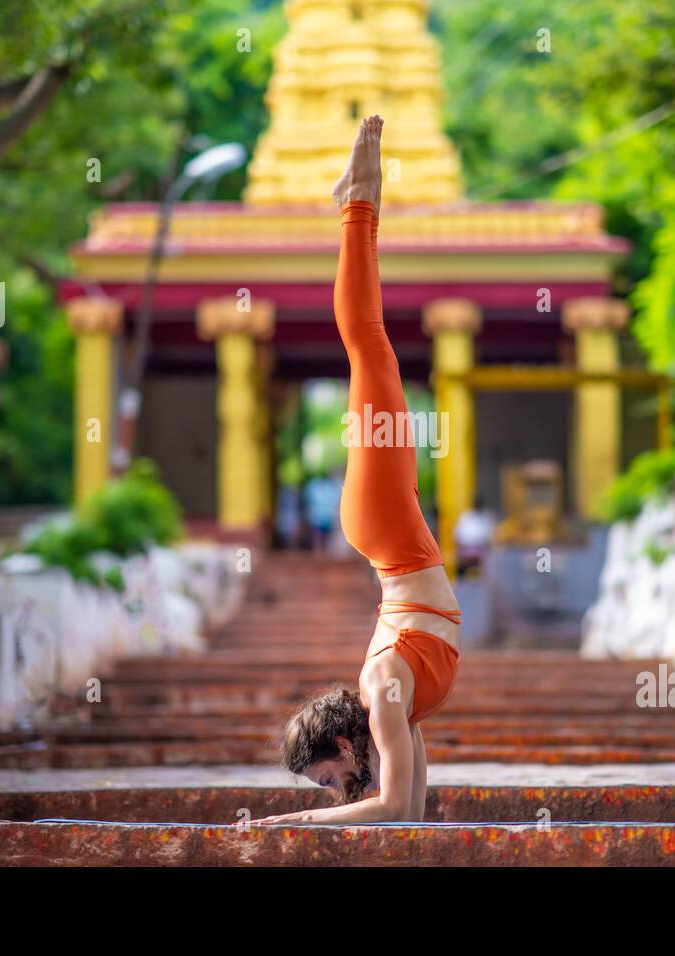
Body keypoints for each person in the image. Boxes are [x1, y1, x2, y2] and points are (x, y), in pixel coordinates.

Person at [247, 116, 461, 824]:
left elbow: (392, 806)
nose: (338, 790)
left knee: (369, 349)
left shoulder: (382, 686)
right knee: (374, 353)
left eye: (327, 779)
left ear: (341, 739)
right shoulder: (391, 710)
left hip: (387, 530)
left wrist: (291, 827)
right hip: (394, 534)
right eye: (326, 791)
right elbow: (413, 813)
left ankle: (357, 203)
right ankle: (358, 203)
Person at [453, 495, 496, 578]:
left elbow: (490, 536)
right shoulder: (466, 516)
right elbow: (458, 535)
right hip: (465, 551)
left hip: (482, 552)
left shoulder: (487, 517)